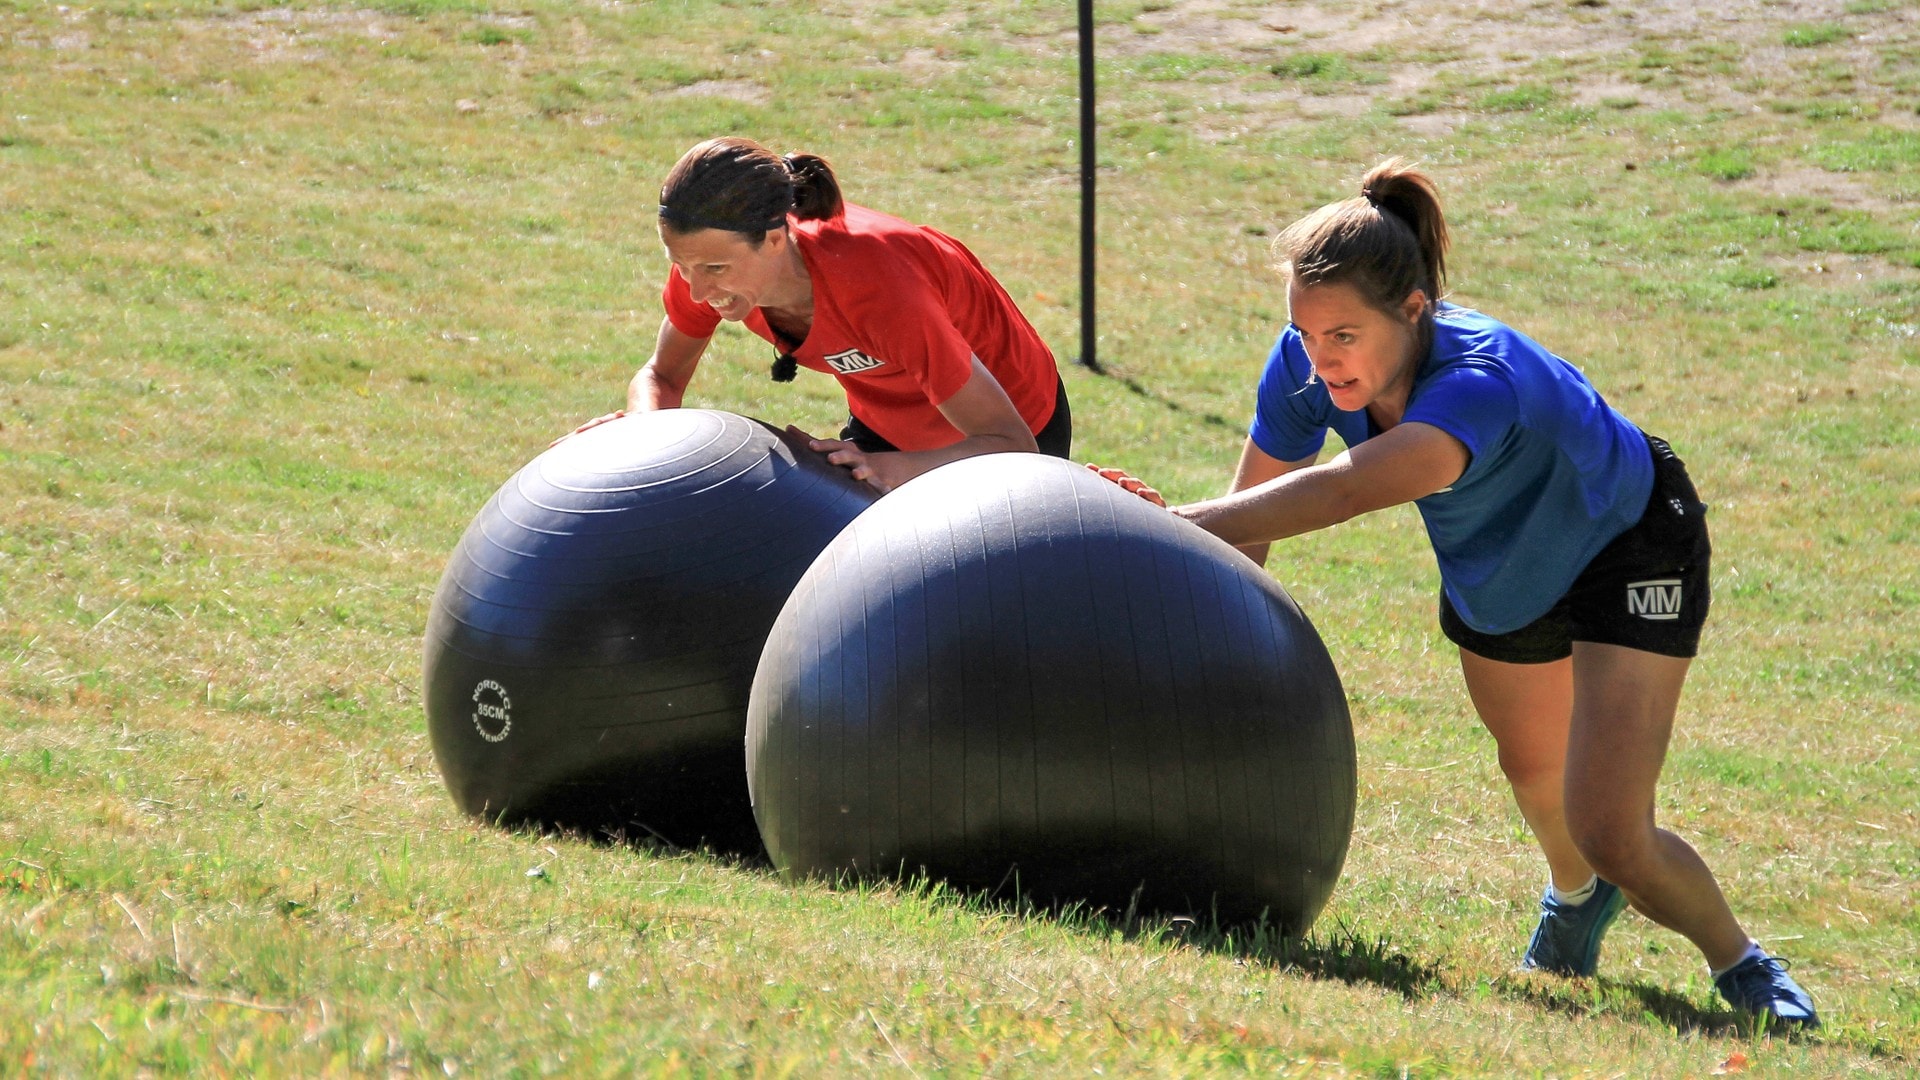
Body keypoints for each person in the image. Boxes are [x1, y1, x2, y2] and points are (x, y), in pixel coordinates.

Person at [1096, 159, 1819, 1029]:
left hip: (1628, 544)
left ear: (1413, 312)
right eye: (1307, 332)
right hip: (1499, 565)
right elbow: (1249, 532)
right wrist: (1176, 667)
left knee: (1612, 826)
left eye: (1345, 337)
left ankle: (1742, 965)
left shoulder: (1480, 382)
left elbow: (1340, 491)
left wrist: (1165, 522)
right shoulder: (1304, 365)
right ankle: (1576, 899)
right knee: (1531, 769)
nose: (1321, 360)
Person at [568, 136, 1069, 493]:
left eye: (715, 267)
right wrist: (641, 439)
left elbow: (1011, 445)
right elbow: (661, 376)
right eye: (680, 265)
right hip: (887, 430)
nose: (696, 292)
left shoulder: (880, 288)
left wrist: (883, 470)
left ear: (774, 239)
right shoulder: (706, 271)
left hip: (1010, 429)